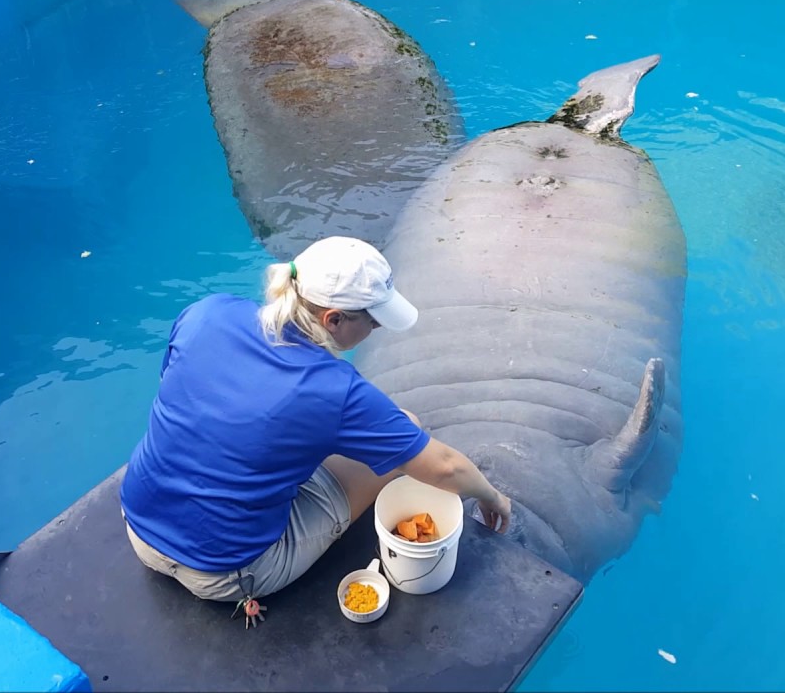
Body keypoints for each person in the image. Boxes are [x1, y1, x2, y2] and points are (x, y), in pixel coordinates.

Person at [120, 235, 513, 604]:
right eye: (372, 322)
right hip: (228, 573)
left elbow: (178, 390)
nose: (375, 331)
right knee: (404, 429)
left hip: (138, 522)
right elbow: (444, 467)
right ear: (334, 320)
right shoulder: (332, 389)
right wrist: (491, 496)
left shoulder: (208, 312)